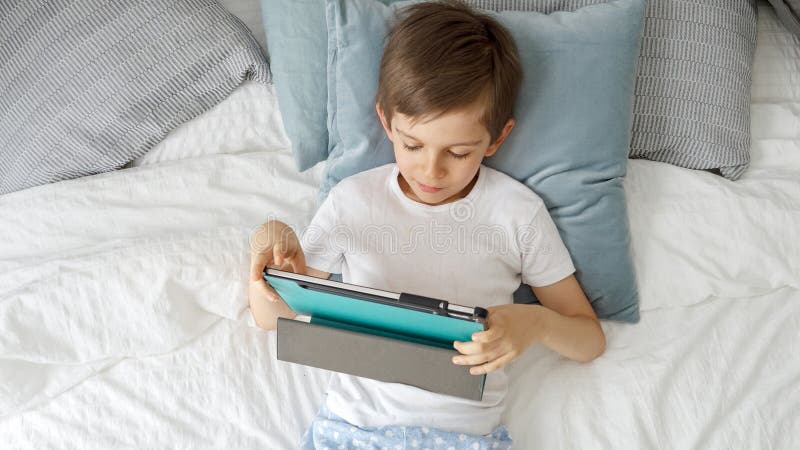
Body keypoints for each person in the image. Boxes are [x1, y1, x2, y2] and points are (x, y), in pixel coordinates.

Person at [248, 1, 606, 448]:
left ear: (497, 138)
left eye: (458, 153)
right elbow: (272, 318)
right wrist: (268, 253)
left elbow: (589, 340)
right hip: (354, 432)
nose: (431, 171)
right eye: (412, 144)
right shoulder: (353, 203)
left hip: (464, 439)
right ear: (386, 121)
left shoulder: (517, 214)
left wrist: (534, 324)